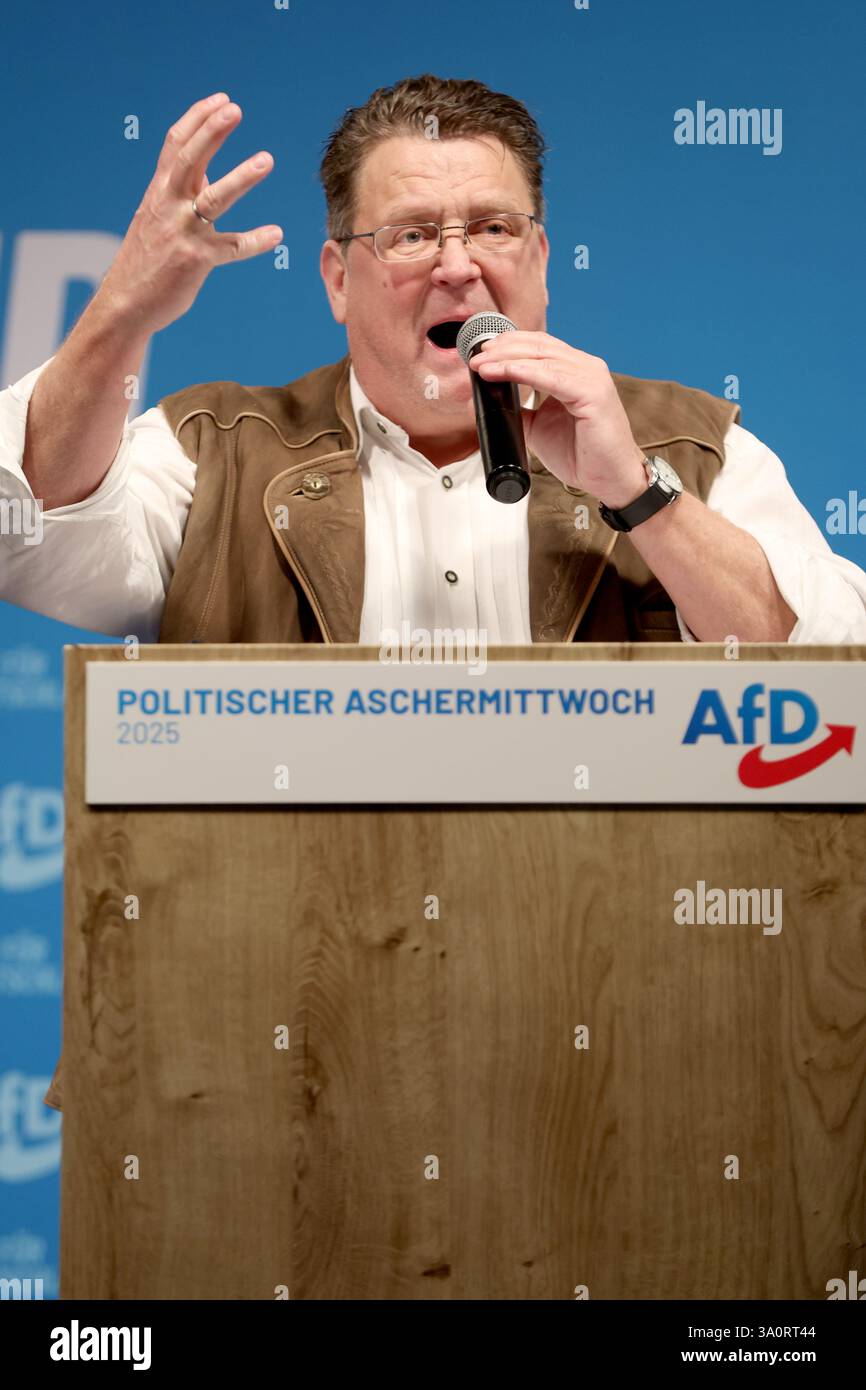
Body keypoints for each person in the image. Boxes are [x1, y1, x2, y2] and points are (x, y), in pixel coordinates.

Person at [1, 75, 865, 651]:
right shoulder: (214, 450)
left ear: (542, 259)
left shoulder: (692, 448)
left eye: (493, 227)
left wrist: (641, 495)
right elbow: (27, 533)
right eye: (413, 234)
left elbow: (829, 681)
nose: (458, 266)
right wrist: (121, 311)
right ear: (339, 279)